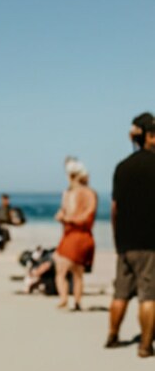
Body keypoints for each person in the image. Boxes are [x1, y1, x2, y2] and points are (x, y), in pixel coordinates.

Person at [106, 116, 155, 356]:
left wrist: (117, 239)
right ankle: (145, 345)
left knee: (120, 293)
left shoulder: (122, 167)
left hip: (125, 242)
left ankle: (112, 336)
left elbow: (114, 208)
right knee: (149, 295)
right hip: (150, 243)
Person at [54, 159, 97, 311]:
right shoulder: (89, 193)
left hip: (74, 235)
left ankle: (64, 298)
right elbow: (88, 215)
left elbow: (81, 216)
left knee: (61, 270)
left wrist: (66, 219)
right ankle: (76, 301)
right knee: (78, 273)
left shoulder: (72, 193)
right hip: (84, 236)